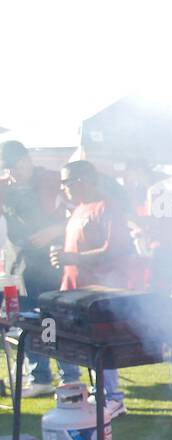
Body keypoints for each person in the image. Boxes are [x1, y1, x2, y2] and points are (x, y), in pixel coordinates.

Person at [49, 160, 133, 418]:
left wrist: (72, 258)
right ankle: (96, 393)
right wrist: (63, 258)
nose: (63, 188)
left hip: (100, 290)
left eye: (67, 182)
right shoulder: (78, 209)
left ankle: (113, 398)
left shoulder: (107, 207)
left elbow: (115, 250)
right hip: (76, 289)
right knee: (81, 344)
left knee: (102, 344)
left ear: (83, 180)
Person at [0, 140, 78, 394]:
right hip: (18, 265)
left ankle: (69, 374)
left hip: (50, 264)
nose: (13, 172)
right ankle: (40, 376)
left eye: (16, 166)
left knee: (53, 320)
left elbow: (80, 213)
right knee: (28, 320)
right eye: (8, 168)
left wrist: (54, 230)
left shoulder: (52, 181)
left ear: (27, 160)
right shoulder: (4, 188)